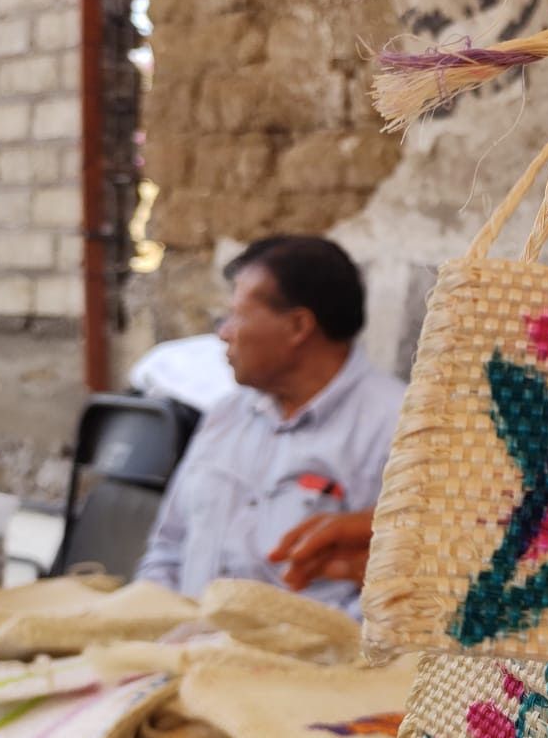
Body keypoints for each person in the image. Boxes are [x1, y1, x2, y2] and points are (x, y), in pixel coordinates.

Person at [136, 236, 404, 613]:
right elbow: (166, 551)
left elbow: (397, 598)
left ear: (298, 326)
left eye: (235, 315)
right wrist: (154, 626)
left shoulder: (399, 429)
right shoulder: (224, 415)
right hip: (180, 642)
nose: (223, 333)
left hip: (316, 651)